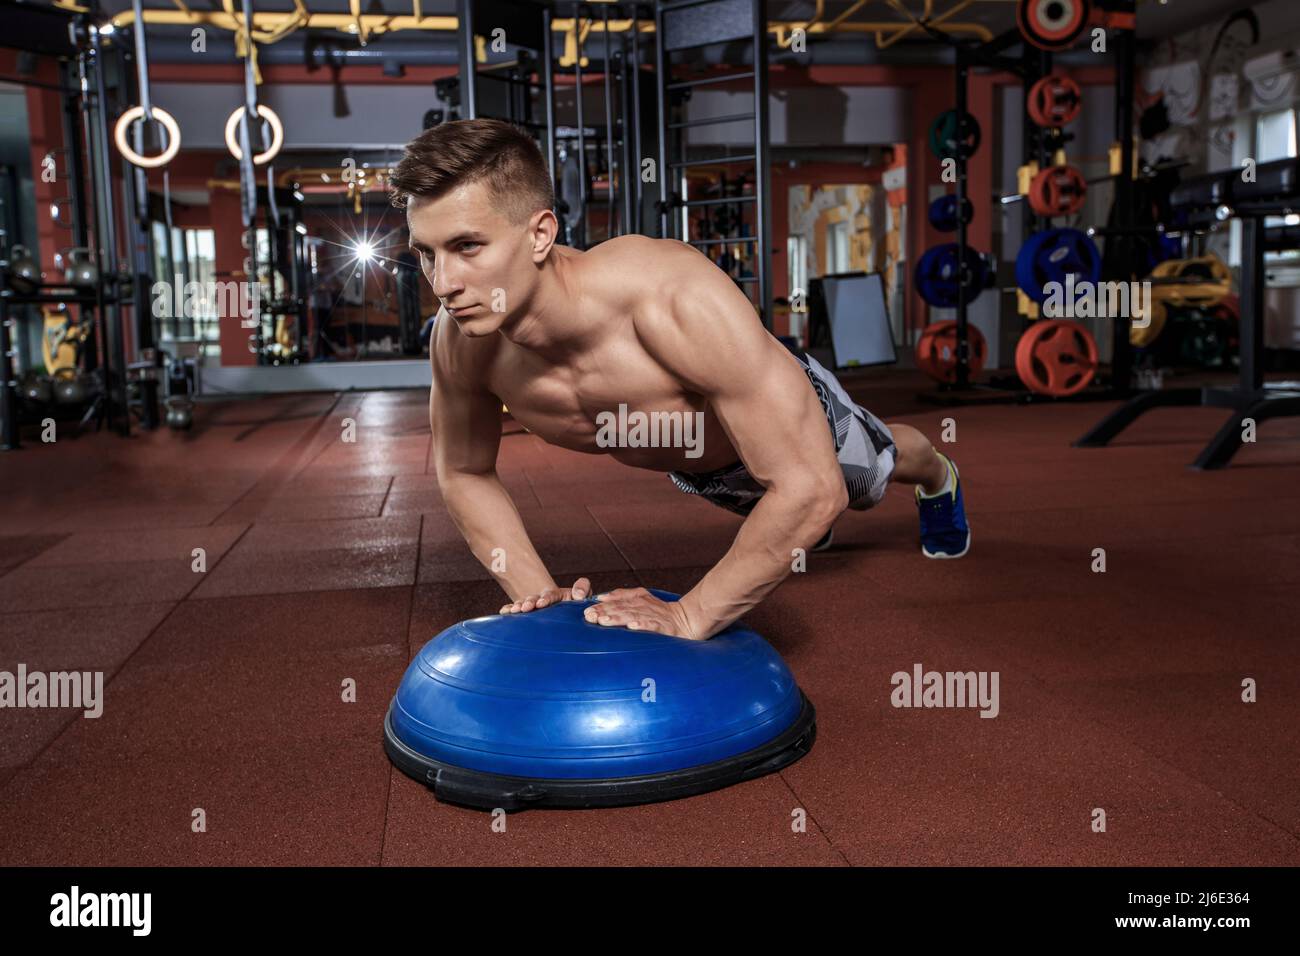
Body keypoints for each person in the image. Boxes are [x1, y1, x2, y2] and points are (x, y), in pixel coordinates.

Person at [389, 119, 970, 641]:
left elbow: (813, 488)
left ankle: (939, 476)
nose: (443, 282)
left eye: (468, 247)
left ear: (540, 234)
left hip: (789, 434)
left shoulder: (667, 296)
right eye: (426, 254)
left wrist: (689, 615)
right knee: (789, 524)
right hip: (702, 469)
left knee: (869, 479)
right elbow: (464, 470)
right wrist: (538, 596)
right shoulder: (462, 340)